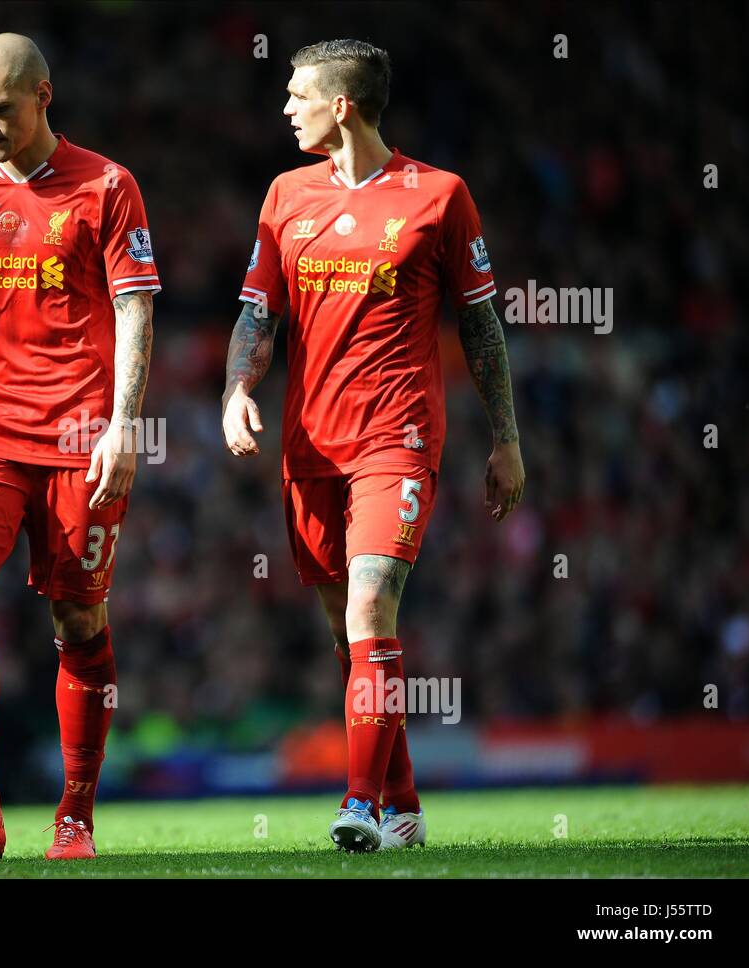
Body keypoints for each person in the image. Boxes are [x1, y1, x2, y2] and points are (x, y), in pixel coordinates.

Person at [222, 39, 525, 851]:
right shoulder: (285, 196)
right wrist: (237, 391)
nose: (286, 108)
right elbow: (259, 312)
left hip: (399, 436)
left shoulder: (439, 196)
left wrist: (506, 439)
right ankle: (405, 807)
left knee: (369, 604)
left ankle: (358, 805)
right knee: (347, 628)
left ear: (341, 105)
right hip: (309, 444)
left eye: (297, 95)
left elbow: (480, 324)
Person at [0, 33, 160, 861]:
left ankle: (75, 816)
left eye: (2, 109)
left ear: (43, 97)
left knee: (78, 614)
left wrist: (125, 421)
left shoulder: (108, 186)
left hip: (78, 432)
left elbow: (134, 308)